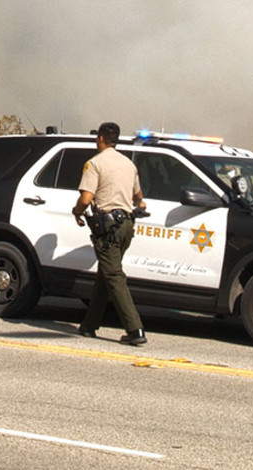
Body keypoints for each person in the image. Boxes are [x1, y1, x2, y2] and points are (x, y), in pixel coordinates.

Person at [72, 121, 147, 345]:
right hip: (126, 227)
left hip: (108, 228)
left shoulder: (95, 164)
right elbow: (138, 197)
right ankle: (89, 325)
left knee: (114, 275)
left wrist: (76, 211)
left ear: (101, 138)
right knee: (106, 274)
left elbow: (86, 198)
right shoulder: (128, 164)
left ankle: (135, 330)